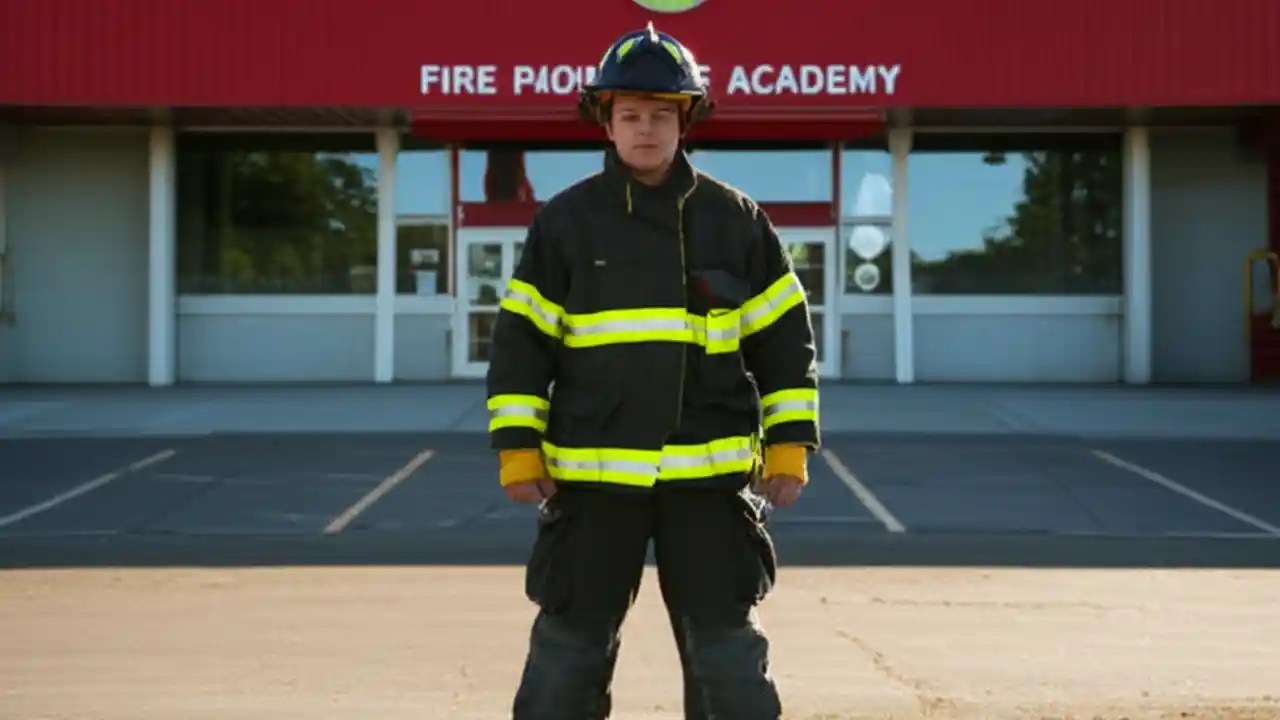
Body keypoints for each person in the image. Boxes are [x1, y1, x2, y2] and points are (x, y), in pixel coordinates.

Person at [485, 22, 820, 720]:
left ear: (686, 120)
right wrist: (518, 449)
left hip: (709, 485)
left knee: (727, 657)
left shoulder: (736, 221)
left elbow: (784, 345)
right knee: (568, 649)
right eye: (630, 115)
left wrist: (789, 446)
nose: (645, 129)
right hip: (592, 482)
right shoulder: (566, 223)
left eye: (661, 114)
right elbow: (522, 342)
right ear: (605, 122)